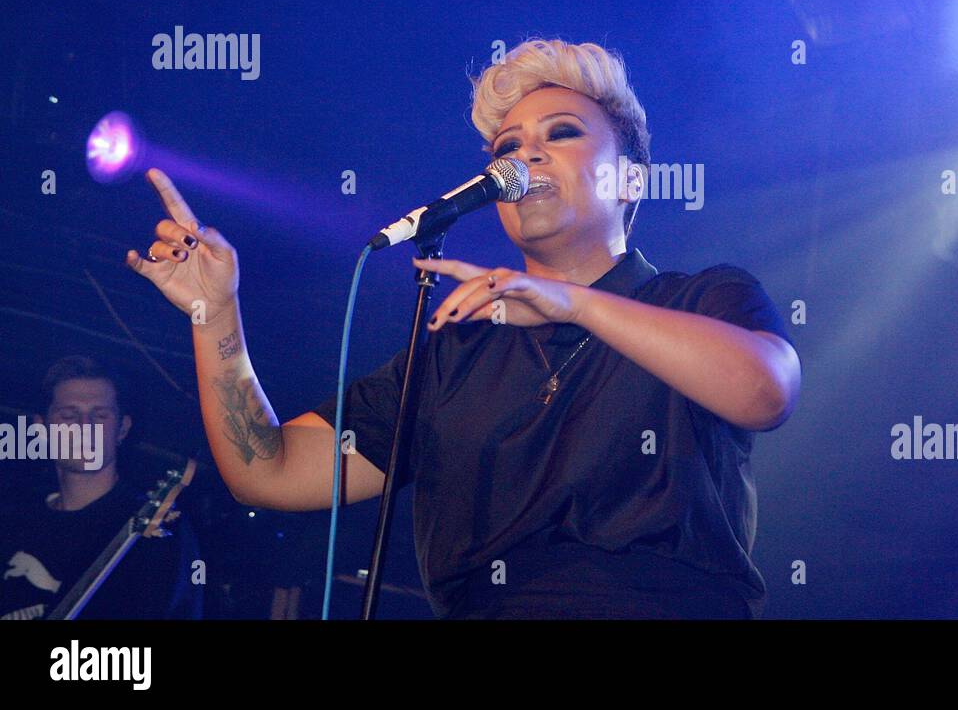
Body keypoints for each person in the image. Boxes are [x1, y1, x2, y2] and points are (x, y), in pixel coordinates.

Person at [125, 37, 800, 618]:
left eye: (561, 133)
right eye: (509, 146)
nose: (525, 156)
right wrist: (216, 313)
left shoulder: (700, 297)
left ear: (630, 180)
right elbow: (267, 470)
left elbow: (764, 389)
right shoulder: (455, 352)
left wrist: (576, 303)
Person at [0, 356, 203, 620]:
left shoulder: (155, 528)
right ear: (42, 430)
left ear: (122, 429)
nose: (85, 427)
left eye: (100, 415)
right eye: (69, 415)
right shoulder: (14, 521)